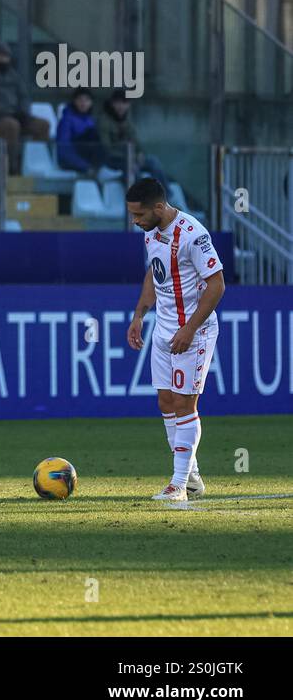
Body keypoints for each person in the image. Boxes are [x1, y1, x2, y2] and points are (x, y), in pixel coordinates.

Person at [125, 177, 225, 503]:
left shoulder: (192, 235)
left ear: (158, 206)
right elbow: (155, 274)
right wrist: (140, 314)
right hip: (164, 330)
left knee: (185, 404)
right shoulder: (151, 233)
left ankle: (178, 484)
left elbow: (217, 285)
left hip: (193, 333)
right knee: (166, 403)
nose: (135, 221)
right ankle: (192, 478)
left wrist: (190, 329)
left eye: (138, 215)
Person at [0, 41, 48, 174]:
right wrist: (11, 113)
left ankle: (34, 164)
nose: (3, 60)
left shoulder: (13, 74)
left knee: (42, 125)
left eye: (5, 57)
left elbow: (23, 95)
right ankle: (11, 167)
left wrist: (23, 112)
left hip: (16, 115)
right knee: (11, 126)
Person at [101, 89, 169, 187]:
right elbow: (106, 147)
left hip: (131, 157)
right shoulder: (104, 121)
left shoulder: (127, 120)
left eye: (124, 102)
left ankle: (166, 196)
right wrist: (130, 157)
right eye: (117, 103)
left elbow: (135, 142)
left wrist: (140, 153)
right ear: (112, 104)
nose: (121, 106)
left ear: (128, 105)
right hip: (115, 160)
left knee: (154, 162)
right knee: (133, 170)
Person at [55, 88, 105, 176]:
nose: (83, 103)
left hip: (89, 163)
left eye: (87, 100)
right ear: (74, 101)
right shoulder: (67, 120)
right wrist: (85, 166)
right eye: (80, 100)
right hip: (71, 162)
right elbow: (64, 148)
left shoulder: (90, 120)